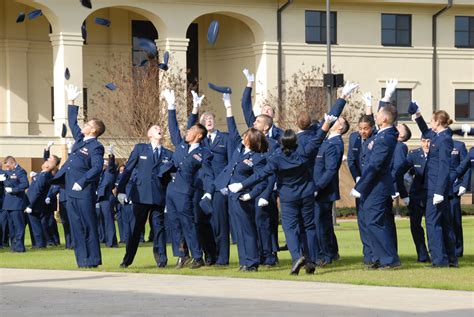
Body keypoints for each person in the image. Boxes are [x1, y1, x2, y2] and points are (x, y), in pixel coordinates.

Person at [229, 114, 336, 275]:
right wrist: (327, 122)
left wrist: (242, 185)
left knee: (290, 228)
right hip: (306, 193)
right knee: (309, 227)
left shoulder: (277, 159)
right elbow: (318, 137)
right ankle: (311, 260)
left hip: (288, 197)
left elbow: (260, 175)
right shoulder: (304, 153)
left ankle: (297, 257)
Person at [52, 84, 105, 268]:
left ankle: (93, 260)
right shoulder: (81, 140)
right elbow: (73, 123)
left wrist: (82, 182)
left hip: (83, 191)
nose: (85, 125)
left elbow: (97, 168)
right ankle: (82, 261)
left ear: (94, 131)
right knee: (76, 227)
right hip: (71, 190)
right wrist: (71, 102)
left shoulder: (96, 147)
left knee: (88, 225)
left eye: (88, 124)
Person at [215, 94, 269, 271]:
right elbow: (232, 130)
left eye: (247, 136)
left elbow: (261, 181)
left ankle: (252, 262)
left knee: (247, 230)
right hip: (232, 195)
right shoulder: (240, 149)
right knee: (238, 231)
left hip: (244, 197)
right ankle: (243, 261)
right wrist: (228, 107)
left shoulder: (258, 158)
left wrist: (249, 194)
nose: (244, 136)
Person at [163, 88, 214, 269]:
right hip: (172, 190)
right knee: (174, 224)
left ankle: (197, 256)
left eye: (191, 130)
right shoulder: (181, 145)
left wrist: (208, 192)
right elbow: (173, 128)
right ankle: (181, 255)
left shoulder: (203, 153)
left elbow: (208, 173)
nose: (187, 131)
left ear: (199, 135)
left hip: (186, 191)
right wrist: (171, 106)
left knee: (188, 224)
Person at [350, 105, 401, 269]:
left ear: (384, 119)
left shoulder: (385, 137)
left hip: (377, 187)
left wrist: (360, 187)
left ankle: (389, 259)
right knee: (373, 222)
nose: (376, 117)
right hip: (373, 186)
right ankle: (379, 257)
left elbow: (375, 165)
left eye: (378, 114)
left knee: (375, 222)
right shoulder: (382, 134)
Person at [117, 126, 174, 268]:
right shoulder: (140, 149)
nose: (159, 129)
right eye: (155, 128)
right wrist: (121, 190)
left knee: (159, 228)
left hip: (158, 196)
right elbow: (128, 169)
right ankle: (127, 259)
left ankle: (162, 260)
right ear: (149, 134)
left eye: (160, 128)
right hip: (141, 196)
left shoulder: (168, 154)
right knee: (135, 228)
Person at [187, 91, 233, 266]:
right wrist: (196, 107)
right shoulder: (200, 141)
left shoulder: (225, 138)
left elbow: (230, 162)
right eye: (205, 120)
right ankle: (210, 255)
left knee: (220, 223)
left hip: (220, 186)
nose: (209, 121)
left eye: (211, 119)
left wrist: (226, 182)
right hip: (202, 186)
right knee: (201, 222)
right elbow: (190, 130)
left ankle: (222, 258)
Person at [412, 104, 457, 267]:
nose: (431, 123)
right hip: (435, 188)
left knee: (433, 223)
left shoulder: (444, 139)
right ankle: (451, 259)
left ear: (438, 121)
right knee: (444, 223)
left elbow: (445, 166)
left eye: (432, 120)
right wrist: (417, 115)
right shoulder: (439, 136)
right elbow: (426, 131)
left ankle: (439, 260)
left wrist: (438, 191)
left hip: (436, 189)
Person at [313, 117, 350, 266]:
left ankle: (325, 255)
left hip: (323, 191)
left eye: (337, 121)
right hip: (322, 190)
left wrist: (317, 187)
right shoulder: (328, 140)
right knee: (324, 224)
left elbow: (330, 170)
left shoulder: (334, 144)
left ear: (340, 127)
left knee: (321, 224)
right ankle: (332, 252)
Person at [395, 137, 431, 263]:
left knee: (433, 226)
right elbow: (399, 173)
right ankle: (422, 255)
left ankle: (436, 254)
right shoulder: (414, 155)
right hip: (416, 196)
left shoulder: (437, 155)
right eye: (424, 141)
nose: (426, 144)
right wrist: (404, 194)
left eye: (429, 141)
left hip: (432, 196)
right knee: (415, 226)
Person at [347, 113, 376, 265]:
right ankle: (368, 256)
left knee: (372, 221)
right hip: (360, 184)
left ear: (372, 128)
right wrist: (357, 178)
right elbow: (351, 160)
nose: (363, 131)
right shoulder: (354, 138)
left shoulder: (376, 139)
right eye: (360, 128)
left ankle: (375, 255)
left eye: (366, 128)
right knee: (362, 221)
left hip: (373, 184)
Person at [25, 160, 57, 248]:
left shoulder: (44, 175)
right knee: (33, 224)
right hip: (33, 202)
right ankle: (36, 243)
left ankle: (39, 244)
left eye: (46, 162)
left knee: (35, 225)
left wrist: (30, 205)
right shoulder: (42, 175)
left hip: (35, 204)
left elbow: (37, 191)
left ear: (47, 167)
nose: (44, 162)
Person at [1, 156, 29, 252]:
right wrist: (3, 180)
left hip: (17, 203)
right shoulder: (8, 172)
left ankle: (20, 247)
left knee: (19, 226)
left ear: (13, 162)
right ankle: (14, 246)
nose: (7, 168)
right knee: (11, 227)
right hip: (8, 204)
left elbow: (25, 184)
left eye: (8, 166)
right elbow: (7, 183)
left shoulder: (20, 171)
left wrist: (13, 190)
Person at [96, 146, 118, 248]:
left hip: (106, 198)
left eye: (105, 163)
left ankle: (111, 242)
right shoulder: (98, 173)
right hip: (97, 198)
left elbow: (112, 165)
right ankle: (102, 239)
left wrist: (111, 155)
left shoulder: (109, 171)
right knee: (99, 221)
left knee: (109, 221)